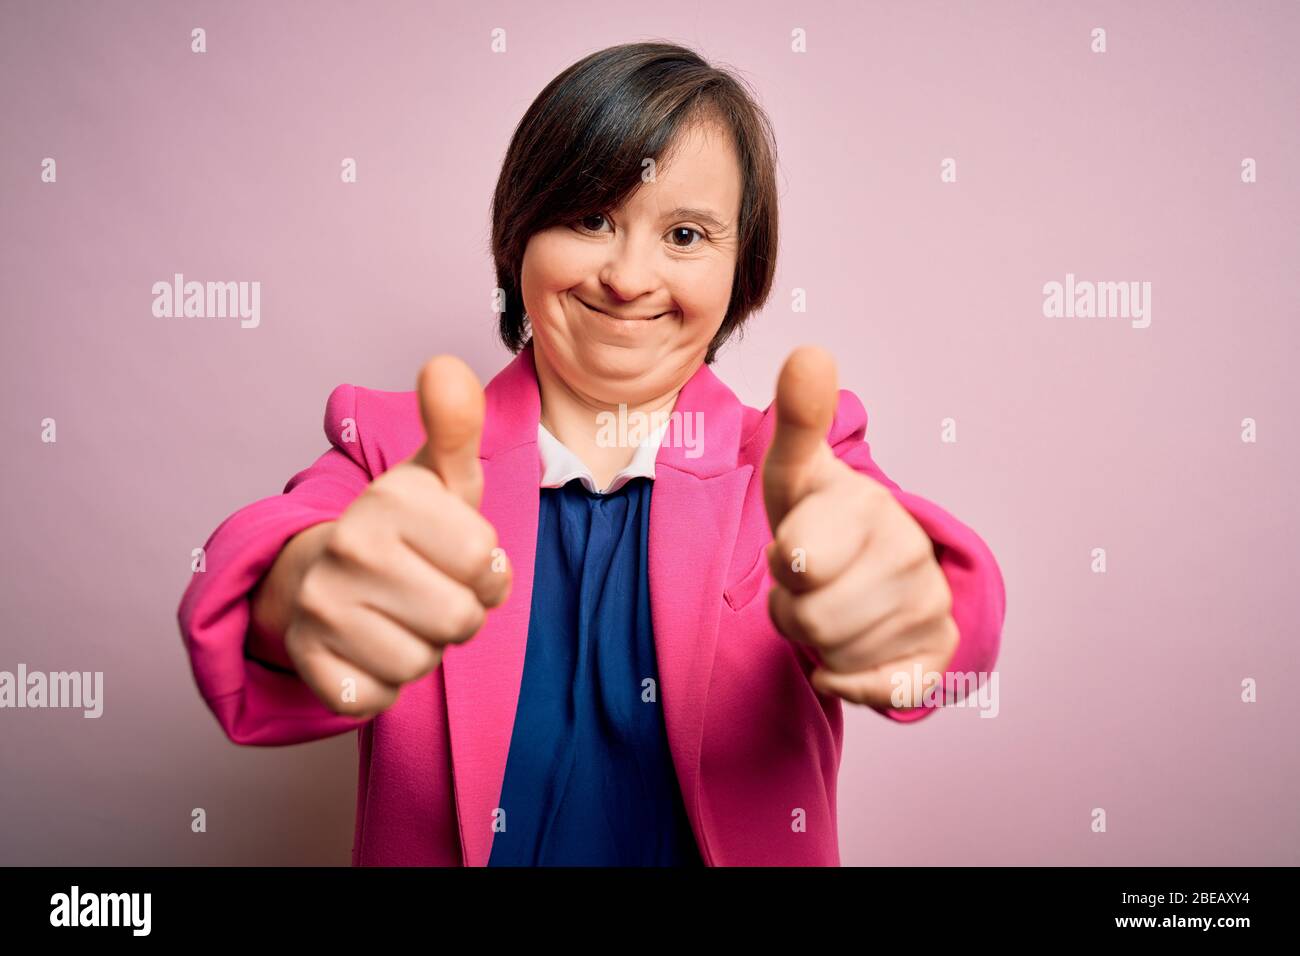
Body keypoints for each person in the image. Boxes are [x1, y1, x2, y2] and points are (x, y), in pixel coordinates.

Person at [177, 40, 1006, 866]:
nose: (629, 276)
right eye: (591, 218)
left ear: (740, 269)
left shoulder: (798, 466)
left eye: (684, 234)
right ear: (522, 231)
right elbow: (258, 581)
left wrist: (905, 608)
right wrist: (313, 588)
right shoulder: (393, 451)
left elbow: (937, 607)